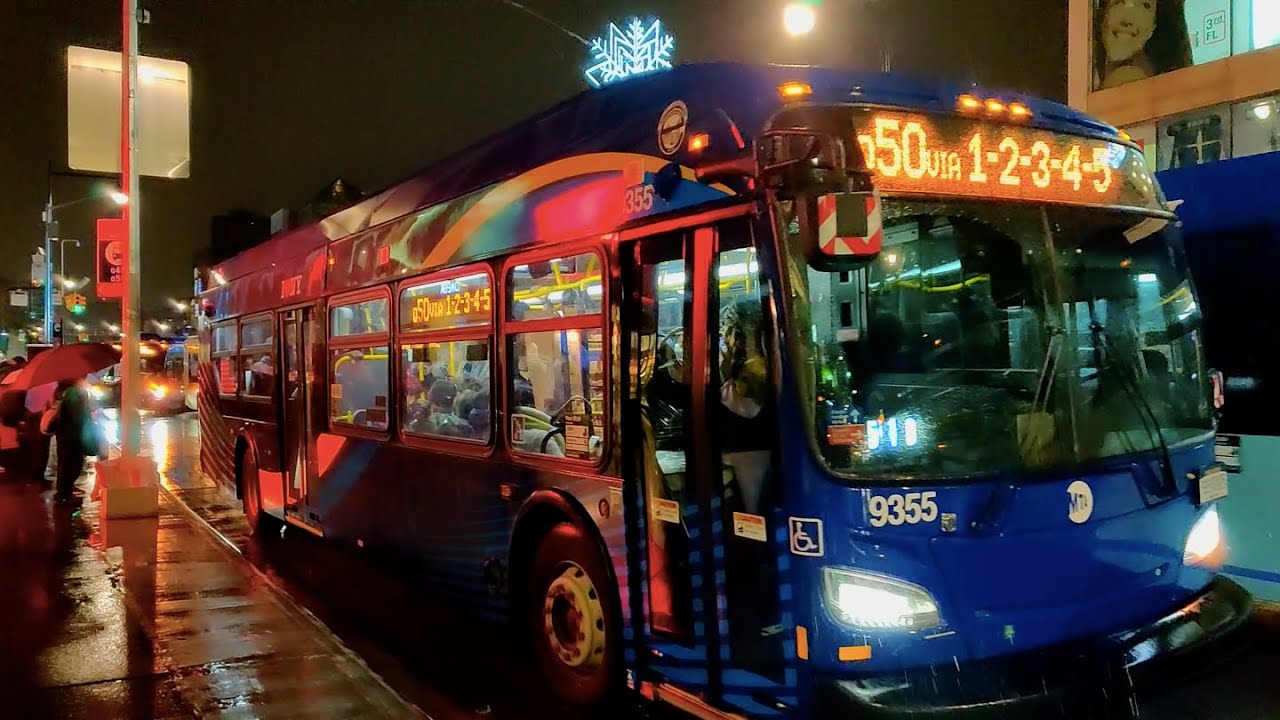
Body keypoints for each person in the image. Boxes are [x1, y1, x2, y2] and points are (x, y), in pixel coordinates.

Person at [717, 298, 775, 515]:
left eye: (726, 331)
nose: (724, 339)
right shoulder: (776, 374)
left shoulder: (745, 380)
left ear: (738, 335)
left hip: (743, 490)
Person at [1094, 0, 1192, 90]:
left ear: (1154, 25)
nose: (1127, 21)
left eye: (1145, 6)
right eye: (1119, 2)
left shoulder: (1130, 78)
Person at [50, 380, 96, 505]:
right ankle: (65, 494)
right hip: (73, 435)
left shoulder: (62, 391)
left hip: (64, 434)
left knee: (65, 464)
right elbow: (79, 416)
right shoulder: (76, 393)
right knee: (72, 465)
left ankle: (63, 493)